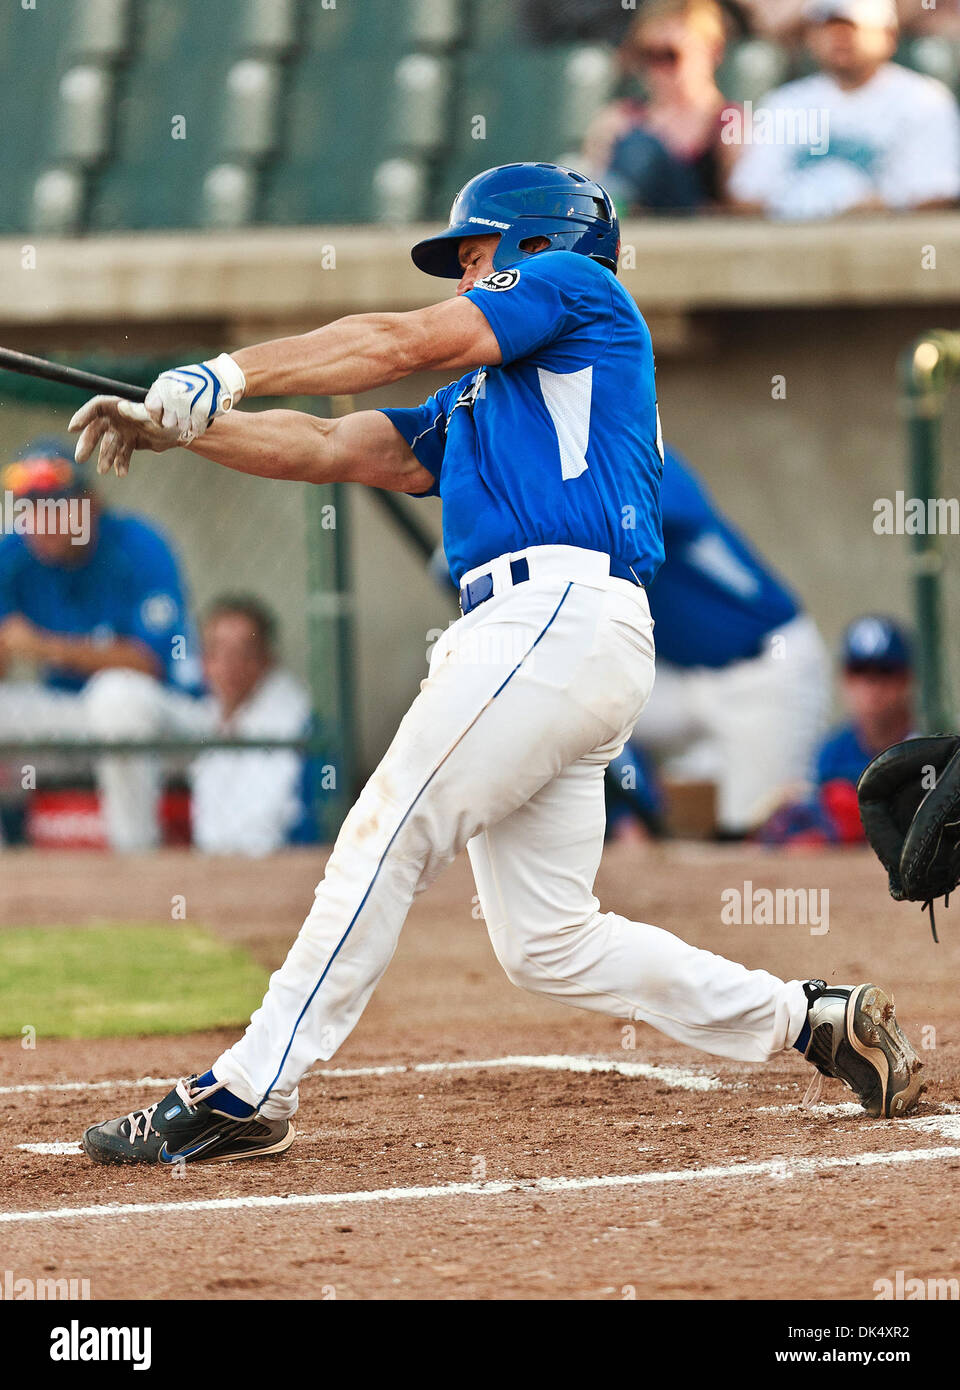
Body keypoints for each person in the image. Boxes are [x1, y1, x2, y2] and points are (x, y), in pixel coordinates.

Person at [70, 161, 923, 1167]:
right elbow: (334, 443)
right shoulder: (493, 395)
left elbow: (393, 338)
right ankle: (811, 1018)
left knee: (388, 830)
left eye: (478, 252)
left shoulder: (580, 290)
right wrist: (190, 423)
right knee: (549, 943)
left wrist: (228, 368)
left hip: (553, 617)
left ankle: (252, 1086)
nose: (468, 271)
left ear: (537, 243)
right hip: (551, 639)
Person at [610, 445, 829, 838]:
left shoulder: (639, 449)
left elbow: (652, 515)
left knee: (757, 834)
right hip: (683, 680)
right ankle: (631, 827)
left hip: (765, 674)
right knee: (578, 705)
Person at [0, 438, 199, 851]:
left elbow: (148, 666)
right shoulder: (14, 554)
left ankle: (134, 861)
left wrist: (43, 646)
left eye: (56, 505)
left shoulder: (139, 545)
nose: (42, 520)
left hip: (166, 725)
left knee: (116, 696)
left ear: (90, 503)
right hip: (70, 722)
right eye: (31, 507)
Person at [727, 0, 960, 219]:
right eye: (827, 28)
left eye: (852, 28)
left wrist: (875, 208)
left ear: (888, 35)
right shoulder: (784, 102)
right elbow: (747, 195)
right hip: (795, 247)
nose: (839, 38)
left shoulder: (924, 100)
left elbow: (936, 196)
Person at [760, 615, 916, 846]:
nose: (870, 687)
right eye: (859, 672)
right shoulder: (831, 753)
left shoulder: (930, 746)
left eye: (884, 672)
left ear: (905, 679)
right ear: (844, 679)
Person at [583, 0, 741, 213]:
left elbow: (742, 211)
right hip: (634, 233)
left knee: (640, 150)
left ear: (712, 51)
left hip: (698, 235)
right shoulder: (618, 119)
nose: (658, 68)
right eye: (649, 54)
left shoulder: (730, 123)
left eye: (670, 55)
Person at [190, 596, 315, 856]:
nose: (229, 666)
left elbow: (260, 833)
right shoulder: (207, 710)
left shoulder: (289, 718)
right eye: (218, 652)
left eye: (243, 653)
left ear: (267, 658)